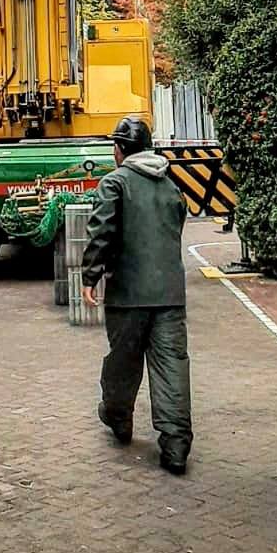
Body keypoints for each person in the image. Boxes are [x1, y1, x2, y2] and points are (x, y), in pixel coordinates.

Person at [81, 116, 192, 475]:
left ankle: (118, 417)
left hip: (128, 295)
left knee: (123, 362)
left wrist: (90, 276)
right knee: (171, 365)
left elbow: (102, 233)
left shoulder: (115, 183)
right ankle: (175, 446)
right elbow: (177, 225)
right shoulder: (170, 184)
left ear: (120, 149)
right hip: (170, 295)